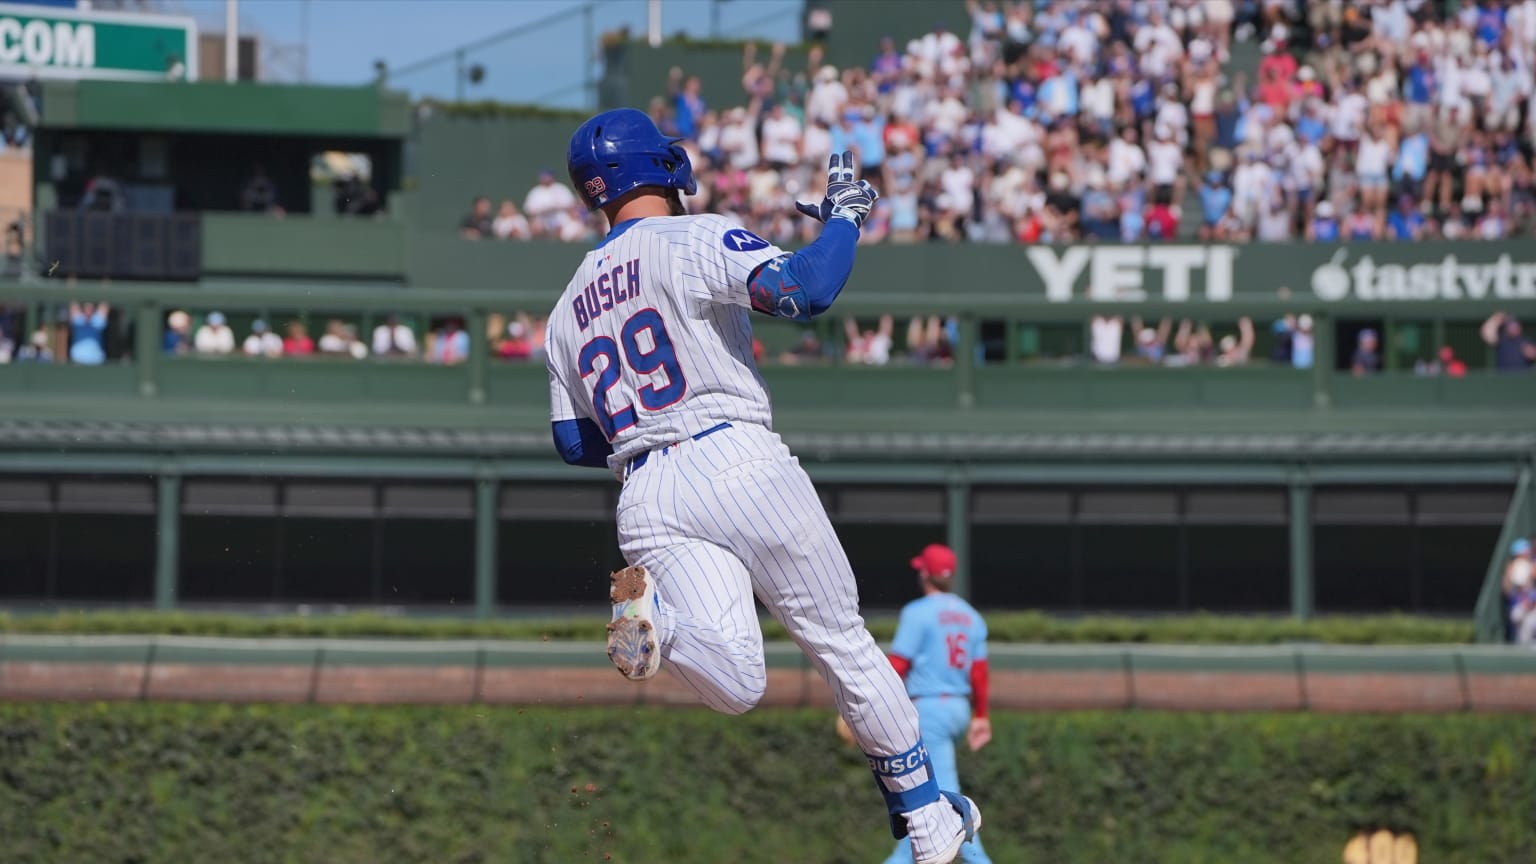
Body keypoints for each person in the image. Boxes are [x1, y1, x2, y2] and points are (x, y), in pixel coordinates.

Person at [545, 109, 981, 864]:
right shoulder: (695, 234)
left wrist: (650, 428)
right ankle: (930, 825)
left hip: (644, 491)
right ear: (661, 166)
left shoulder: (563, 311)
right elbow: (805, 291)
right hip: (733, 454)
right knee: (842, 643)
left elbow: (573, 441)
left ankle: (663, 629)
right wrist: (845, 220)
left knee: (738, 680)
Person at [881, 544, 993, 864]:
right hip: (958, 709)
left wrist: (870, 702)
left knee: (951, 815)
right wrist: (981, 716)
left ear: (925, 573)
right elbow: (979, 673)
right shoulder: (971, 616)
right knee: (923, 810)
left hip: (930, 711)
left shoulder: (917, 612)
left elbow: (899, 664)